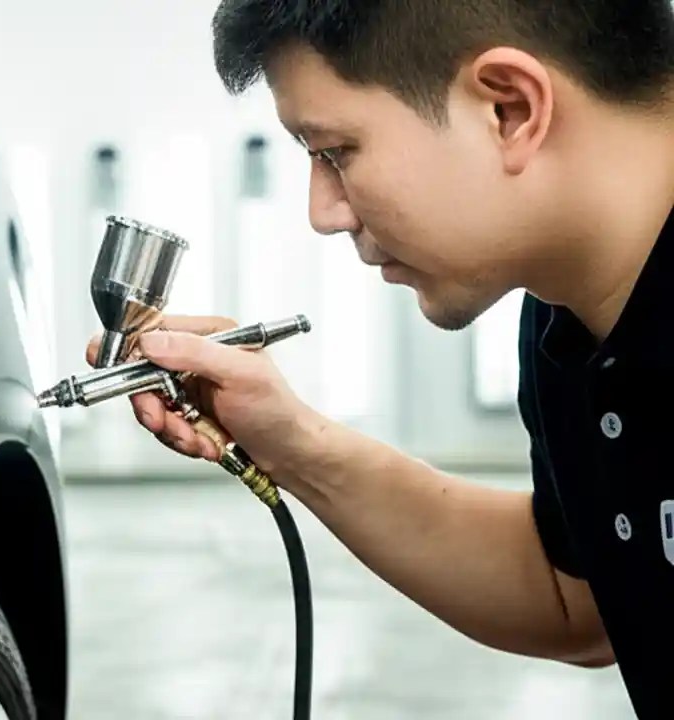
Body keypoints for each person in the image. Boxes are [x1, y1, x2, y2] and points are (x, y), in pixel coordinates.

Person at [85, 1, 674, 717]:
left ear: (510, 110)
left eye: (335, 152)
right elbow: (575, 599)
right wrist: (292, 443)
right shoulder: (565, 326)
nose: (323, 212)